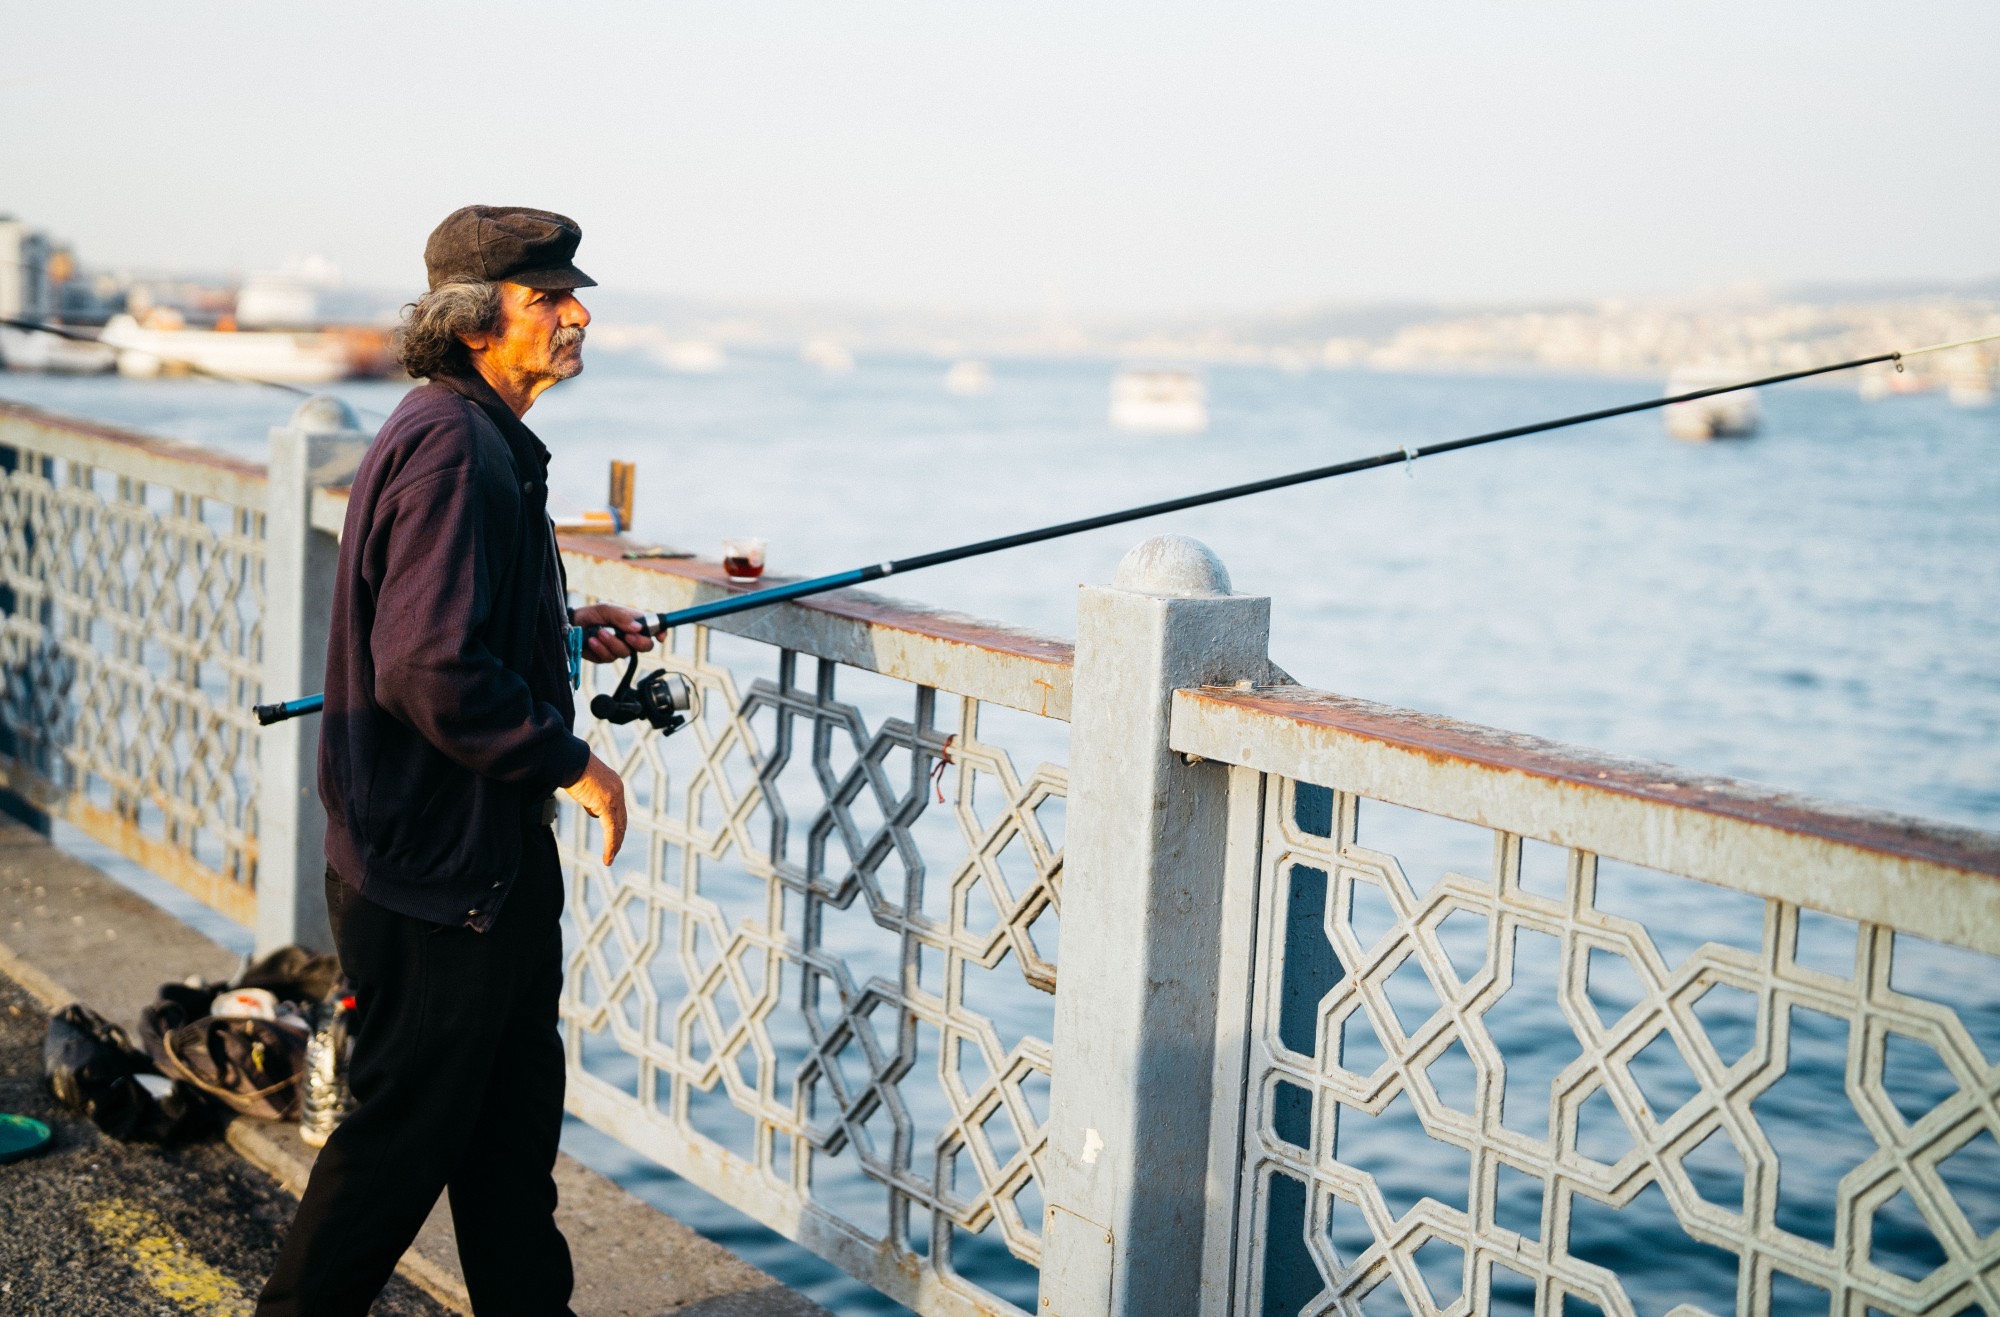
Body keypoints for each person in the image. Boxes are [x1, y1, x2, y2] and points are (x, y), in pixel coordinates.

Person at [256, 206, 652, 1317]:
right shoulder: (453, 448)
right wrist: (570, 760)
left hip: (474, 864)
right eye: (547, 299)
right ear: (478, 325)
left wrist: (566, 627)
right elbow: (427, 666)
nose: (577, 315)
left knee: (507, 1140)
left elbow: (448, 621)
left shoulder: (467, 434)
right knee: (396, 1148)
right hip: (441, 880)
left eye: (573, 295)